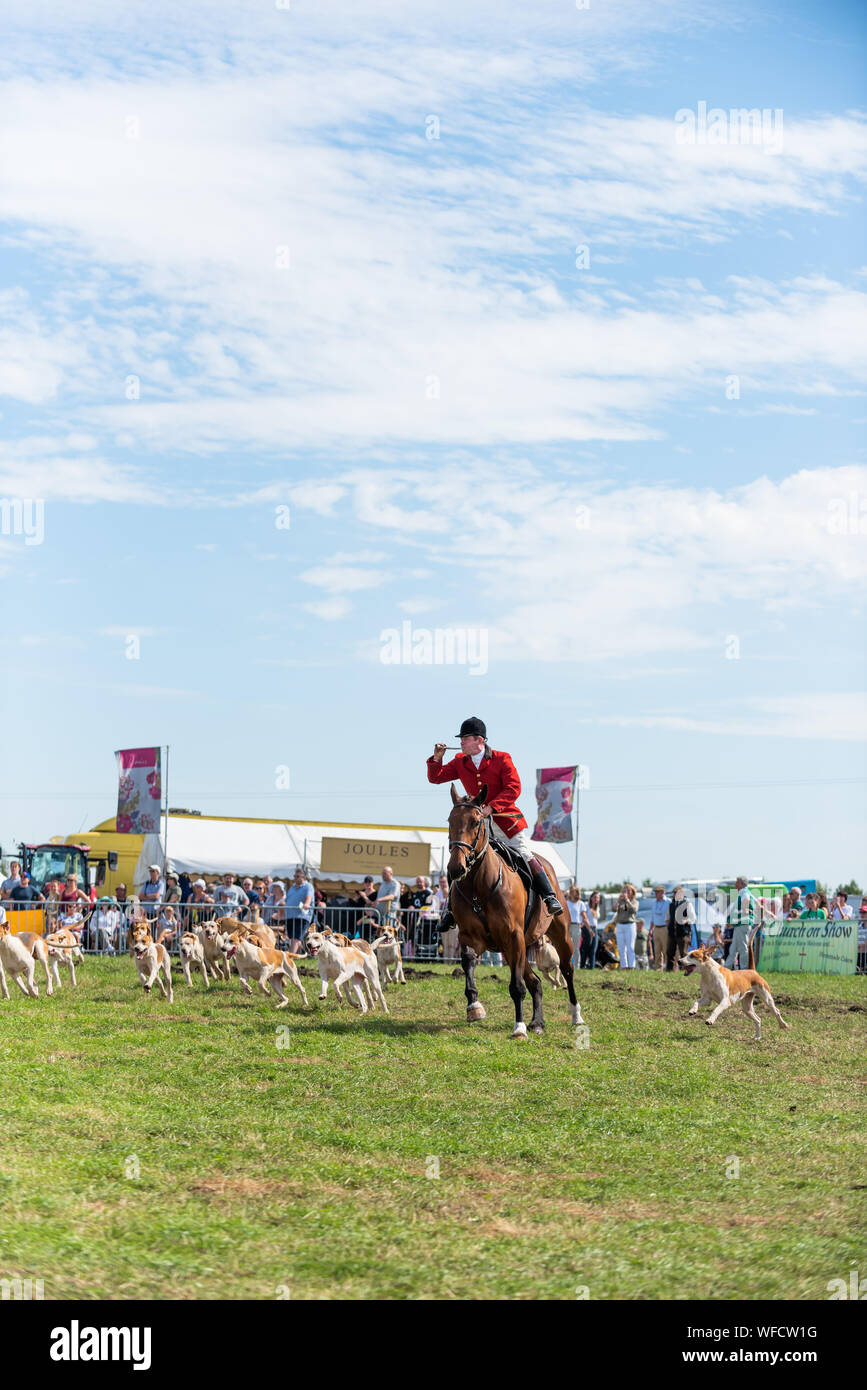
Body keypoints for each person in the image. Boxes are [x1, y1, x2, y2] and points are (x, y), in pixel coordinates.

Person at [427, 716, 563, 924]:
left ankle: (549, 896)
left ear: (479, 740)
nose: (461, 742)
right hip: (477, 824)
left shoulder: (502, 758)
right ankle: (451, 910)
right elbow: (436, 778)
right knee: (462, 859)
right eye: (462, 739)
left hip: (505, 820)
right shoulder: (459, 762)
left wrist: (492, 807)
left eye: (465, 738)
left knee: (524, 853)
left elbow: (513, 788)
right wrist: (437, 758)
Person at [725, 876, 756, 969]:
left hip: (743, 923)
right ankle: (727, 966)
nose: (735, 884)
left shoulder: (744, 892)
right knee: (734, 948)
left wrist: (745, 909)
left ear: (742, 884)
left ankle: (744, 968)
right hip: (739, 924)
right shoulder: (742, 892)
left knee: (743, 947)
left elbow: (746, 899)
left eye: (737, 882)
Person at [400, 875, 433, 959]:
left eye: (420, 881)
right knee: (412, 936)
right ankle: (412, 955)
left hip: (423, 919)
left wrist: (417, 909)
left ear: (424, 882)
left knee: (420, 937)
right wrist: (411, 907)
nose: (419, 883)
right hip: (413, 919)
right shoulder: (415, 894)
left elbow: (428, 906)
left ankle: (420, 955)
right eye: (417, 881)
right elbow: (412, 904)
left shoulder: (428, 893)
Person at [667, 886, 696, 970]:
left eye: (678, 893)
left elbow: (693, 918)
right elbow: (668, 917)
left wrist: (686, 921)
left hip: (683, 933)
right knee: (670, 953)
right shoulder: (671, 905)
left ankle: (686, 970)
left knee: (684, 954)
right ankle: (669, 971)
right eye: (675, 893)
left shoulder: (687, 904)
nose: (676, 895)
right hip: (672, 932)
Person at [285, 867, 314, 940]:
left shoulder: (308, 886)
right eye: (294, 876)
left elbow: (309, 897)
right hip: (290, 917)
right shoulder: (292, 887)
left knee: (296, 939)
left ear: (303, 877)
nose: (295, 878)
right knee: (293, 939)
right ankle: (303, 951)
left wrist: (307, 904)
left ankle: (291, 952)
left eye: (297, 876)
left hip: (301, 917)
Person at [613, 884, 638, 969]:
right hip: (620, 925)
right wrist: (618, 900)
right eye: (624, 891)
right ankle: (624, 966)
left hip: (630, 925)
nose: (625, 892)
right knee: (621, 947)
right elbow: (613, 909)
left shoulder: (635, 901)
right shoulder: (620, 901)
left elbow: (634, 910)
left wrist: (627, 900)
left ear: (632, 892)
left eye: (628, 891)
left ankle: (631, 966)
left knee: (630, 947)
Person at [647, 885, 670, 970]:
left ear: (663, 892)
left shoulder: (668, 902)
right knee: (657, 950)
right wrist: (650, 929)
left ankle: (668, 967)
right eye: (655, 892)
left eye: (658, 892)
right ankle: (658, 969)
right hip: (656, 928)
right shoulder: (654, 903)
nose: (656, 894)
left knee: (665, 950)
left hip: (665, 928)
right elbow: (653, 918)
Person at [580, 891, 601, 970]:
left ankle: (592, 967)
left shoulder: (597, 907)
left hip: (595, 928)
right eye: (595, 897)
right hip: (587, 928)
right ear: (591, 898)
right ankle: (582, 966)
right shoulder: (586, 906)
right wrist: (589, 929)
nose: (596, 899)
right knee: (586, 948)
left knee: (593, 949)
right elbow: (584, 918)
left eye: (598, 898)